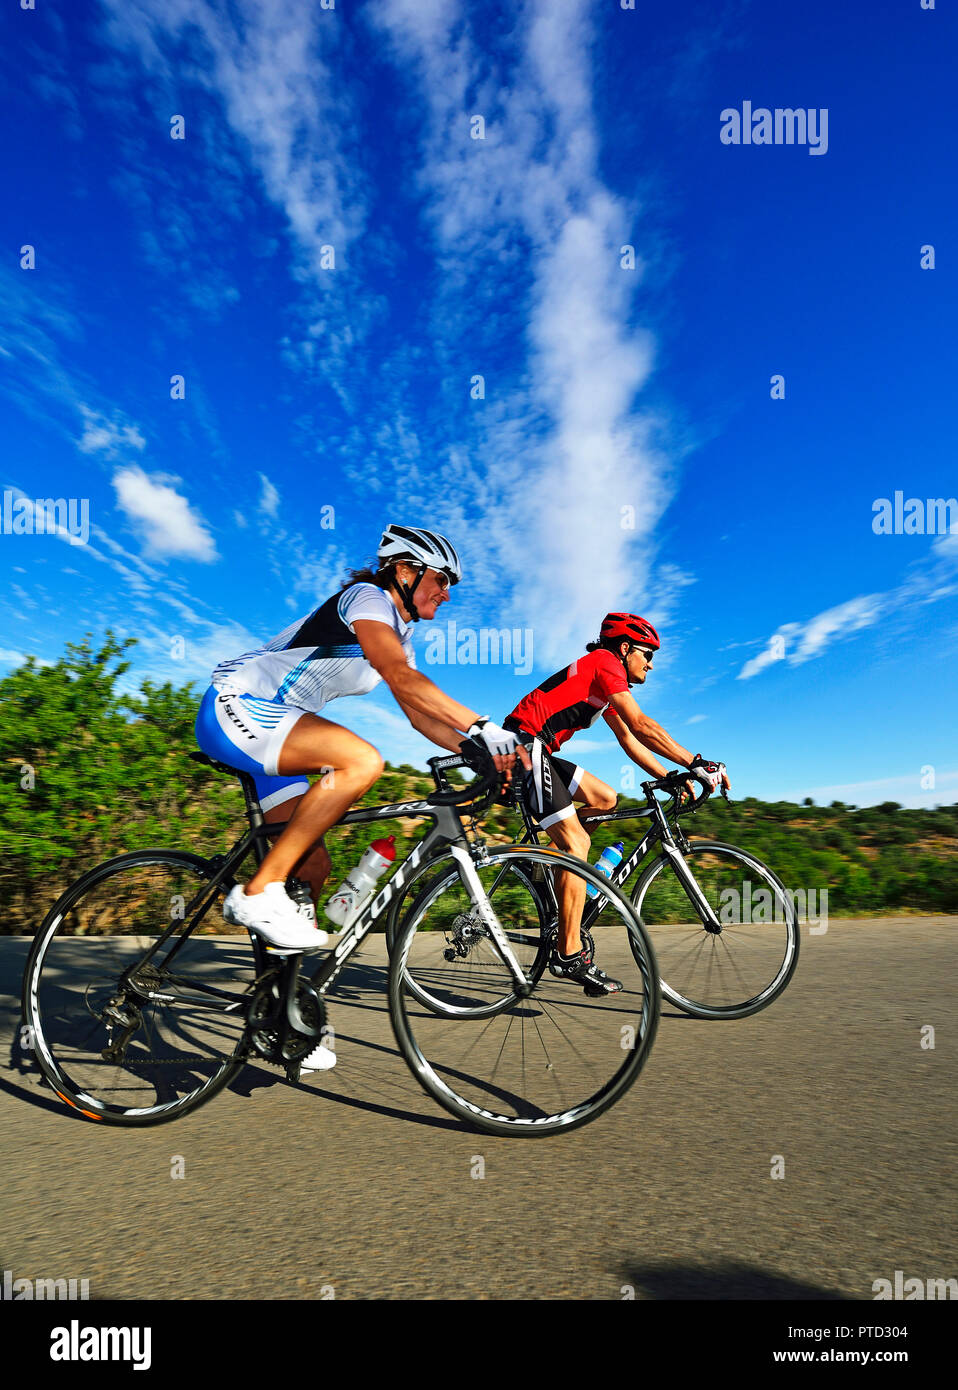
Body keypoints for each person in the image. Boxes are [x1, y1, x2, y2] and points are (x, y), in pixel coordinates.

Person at [194, 524, 526, 1069]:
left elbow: (419, 712)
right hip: (239, 707)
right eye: (441, 580)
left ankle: (281, 1015)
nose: (447, 593)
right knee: (360, 760)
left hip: (275, 727)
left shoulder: (398, 629)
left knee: (313, 865)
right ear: (403, 570)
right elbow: (398, 676)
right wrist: (486, 726)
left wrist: (479, 750)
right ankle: (257, 892)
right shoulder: (367, 599)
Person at [503, 612, 730, 996]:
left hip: (536, 748)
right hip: (522, 750)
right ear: (625, 649)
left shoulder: (602, 677)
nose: (651, 664)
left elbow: (629, 738)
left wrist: (667, 778)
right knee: (578, 844)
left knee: (605, 799)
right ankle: (568, 953)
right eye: (647, 654)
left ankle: (547, 860)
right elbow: (641, 723)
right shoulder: (606, 663)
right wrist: (695, 763)